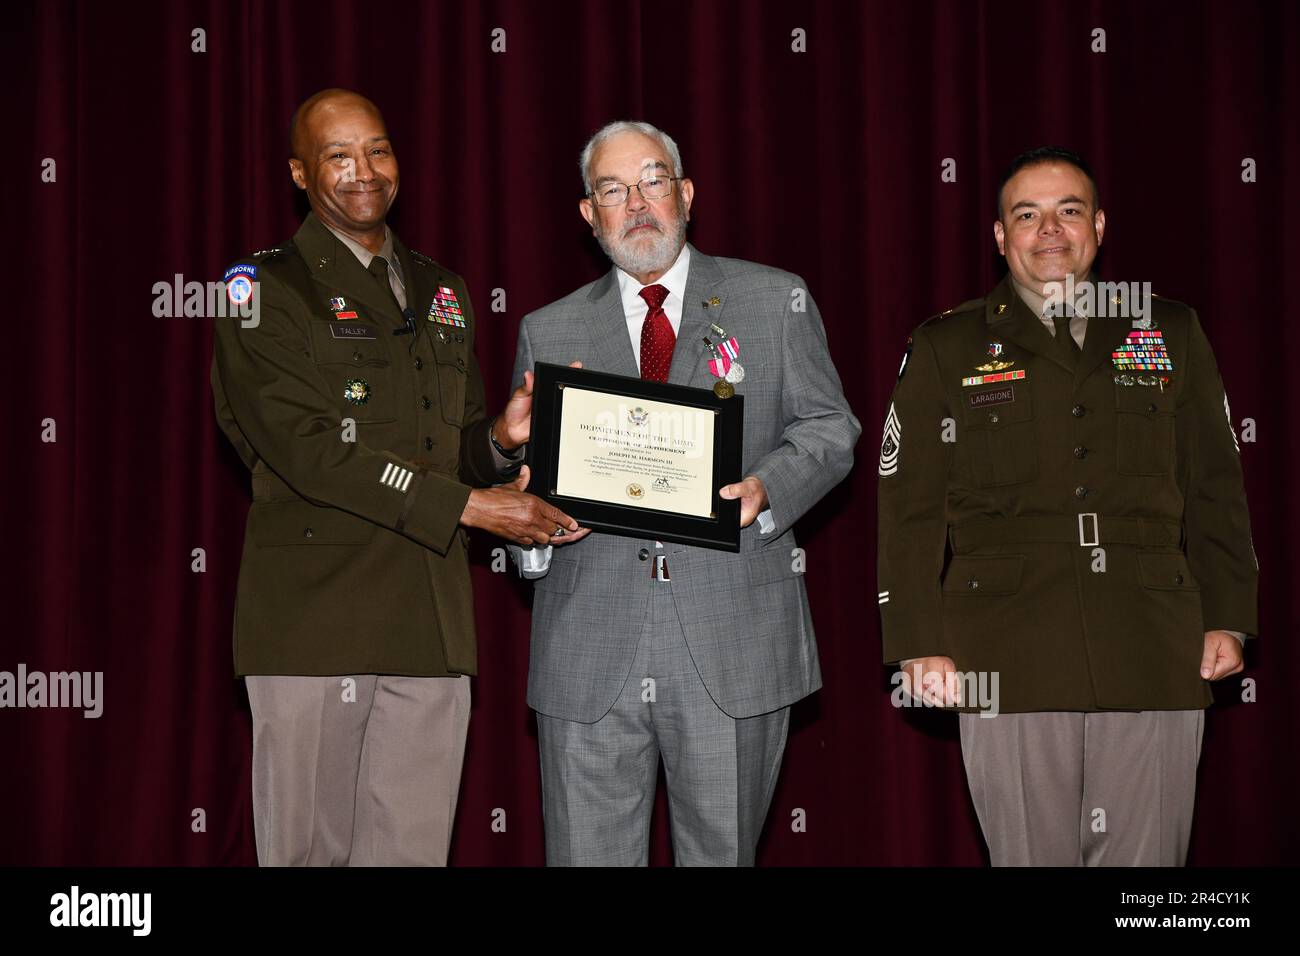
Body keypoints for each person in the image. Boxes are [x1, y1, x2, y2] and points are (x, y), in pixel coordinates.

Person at [210, 88, 579, 866]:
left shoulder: (444, 289)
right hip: (314, 623)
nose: (363, 171)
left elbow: (452, 448)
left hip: (429, 623)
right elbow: (308, 449)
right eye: (337, 156)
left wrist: (504, 443)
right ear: (299, 174)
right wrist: (470, 506)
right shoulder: (259, 287)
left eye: (376, 150)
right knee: (308, 855)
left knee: (412, 857)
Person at [876, 146, 1258, 866]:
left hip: (1155, 640)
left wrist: (1228, 615)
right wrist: (918, 642)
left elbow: (1215, 488)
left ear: (1100, 226)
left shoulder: (1168, 329)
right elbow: (909, 509)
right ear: (999, 236)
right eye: (1028, 215)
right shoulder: (947, 345)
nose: (1049, 229)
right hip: (1005, 648)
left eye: (1069, 211)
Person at [507, 120, 861, 865]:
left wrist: (767, 489)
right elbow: (525, 484)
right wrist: (532, 537)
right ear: (588, 214)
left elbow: (832, 430)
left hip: (730, 641)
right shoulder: (549, 328)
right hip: (587, 647)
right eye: (612, 188)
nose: (637, 202)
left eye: (653, 180)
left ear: (687, 194)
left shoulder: (774, 301)